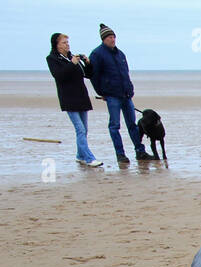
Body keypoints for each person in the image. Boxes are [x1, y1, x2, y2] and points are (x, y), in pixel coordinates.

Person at [88, 23, 150, 163]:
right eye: (109, 37)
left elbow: (125, 73)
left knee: (133, 125)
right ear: (103, 39)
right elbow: (94, 75)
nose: (112, 39)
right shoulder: (97, 54)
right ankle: (120, 154)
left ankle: (140, 151)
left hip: (126, 94)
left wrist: (130, 88)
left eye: (113, 36)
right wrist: (101, 92)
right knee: (114, 126)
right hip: (111, 95)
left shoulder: (120, 53)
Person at [46, 33, 101, 167]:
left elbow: (88, 74)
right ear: (56, 45)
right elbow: (59, 75)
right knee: (80, 129)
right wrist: (71, 64)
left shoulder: (72, 57)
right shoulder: (52, 58)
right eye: (64, 42)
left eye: (68, 42)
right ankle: (89, 158)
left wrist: (87, 63)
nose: (67, 45)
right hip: (69, 98)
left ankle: (80, 155)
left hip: (81, 96)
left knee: (84, 129)